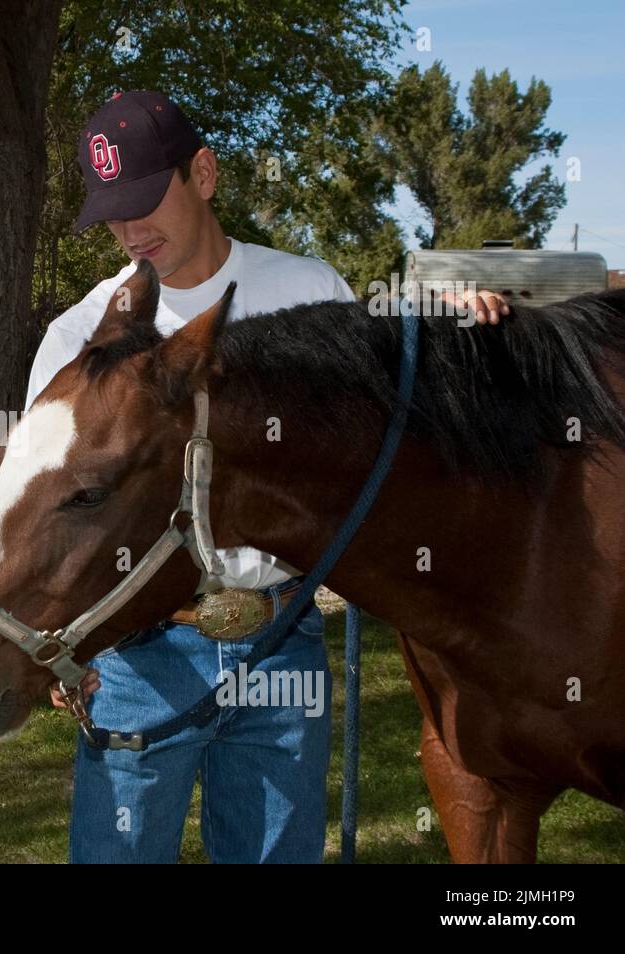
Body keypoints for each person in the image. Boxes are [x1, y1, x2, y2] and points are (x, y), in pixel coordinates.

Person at [28, 91, 510, 864]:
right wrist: (61, 648)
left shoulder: (310, 290)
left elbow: (389, 442)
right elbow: (50, 518)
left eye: (145, 201)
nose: (129, 230)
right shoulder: (77, 337)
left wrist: (452, 333)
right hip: (138, 658)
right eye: (111, 212)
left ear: (205, 173)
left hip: (279, 635)